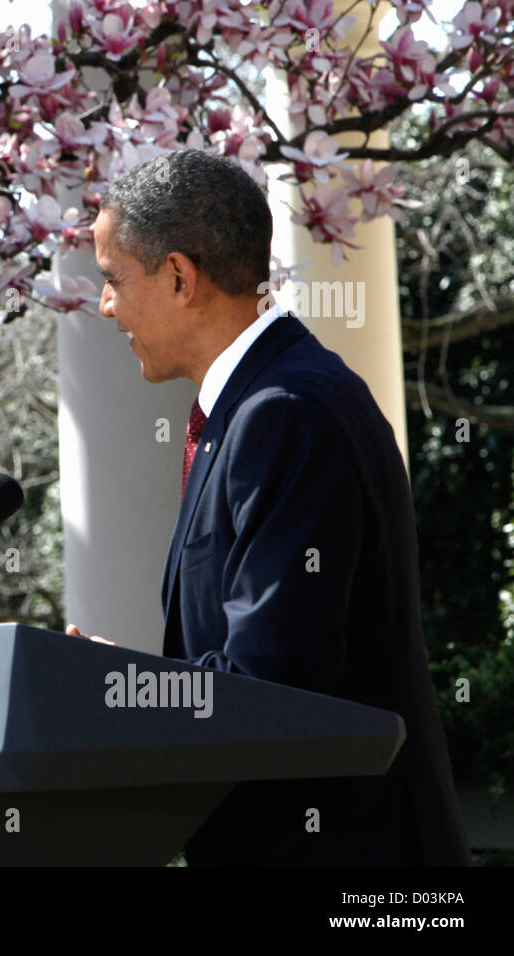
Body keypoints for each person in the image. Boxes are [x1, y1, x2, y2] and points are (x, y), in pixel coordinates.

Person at [80, 148, 469, 865]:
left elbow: (273, 690)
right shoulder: (263, 403)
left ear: (178, 277)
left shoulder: (283, 414)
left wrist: (121, 689)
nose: (105, 306)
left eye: (112, 280)